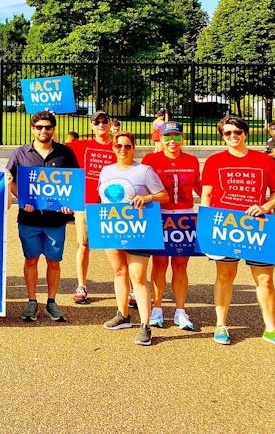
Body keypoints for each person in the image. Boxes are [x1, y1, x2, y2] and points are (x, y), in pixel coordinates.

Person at [200, 115, 275, 346]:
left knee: (265, 280)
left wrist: (264, 206)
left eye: (237, 132)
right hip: (225, 225)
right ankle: (221, 324)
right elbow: (207, 196)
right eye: (228, 132)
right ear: (222, 135)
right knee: (225, 276)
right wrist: (204, 225)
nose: (233, 136)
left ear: (246, 133)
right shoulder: (214, 161)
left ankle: (270, 327)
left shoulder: (266, 161)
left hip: (258, 225)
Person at [7, 111, 79, 325]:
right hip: (29, 218)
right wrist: (21, 197)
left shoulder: (65, 153)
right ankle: (31, 300)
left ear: (53, 129)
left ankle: (51, 301)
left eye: (47, 127)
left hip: (56, 221)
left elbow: (74, 184)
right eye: (39, 127)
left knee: (54, 261)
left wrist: (70, 205)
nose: (43, 131)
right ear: (32, 128)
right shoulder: (21, 153)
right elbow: (10, 180)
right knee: (31, 260)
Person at [98, 132, 169, 346]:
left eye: (127, 146)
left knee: (138, 277)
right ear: (113, 148)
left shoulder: (144, 171)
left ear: (133, 148)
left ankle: (145, 325)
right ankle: (123, 314)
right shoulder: (106, 170)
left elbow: (163, 195)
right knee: (119, 271)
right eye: (118, 145)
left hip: (139, 228)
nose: (122, 149)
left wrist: (147, 197)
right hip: (112, 227)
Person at [142, 121, 201, 330]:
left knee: (180, 264)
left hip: (184, 217)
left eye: (176, 136)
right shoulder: (151, 159)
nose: (172, 141)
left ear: (182, 139)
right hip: (160, 215)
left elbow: (199, 187)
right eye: (168, 137)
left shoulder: (192, 160)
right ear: (161, 138)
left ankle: (180, 310)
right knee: (159, 263)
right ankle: (157, 308)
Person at [67, 110, 116, 304]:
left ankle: (127, 288)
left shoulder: (118, 146)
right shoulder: (83, 146)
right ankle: (81, 285)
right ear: (91, 126)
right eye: (97, 122)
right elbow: (55, 146)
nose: (101, 125)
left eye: (105, 121)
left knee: (117, 248)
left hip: (111, 205)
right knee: (83, 245)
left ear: (110, 123)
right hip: (86, 203)